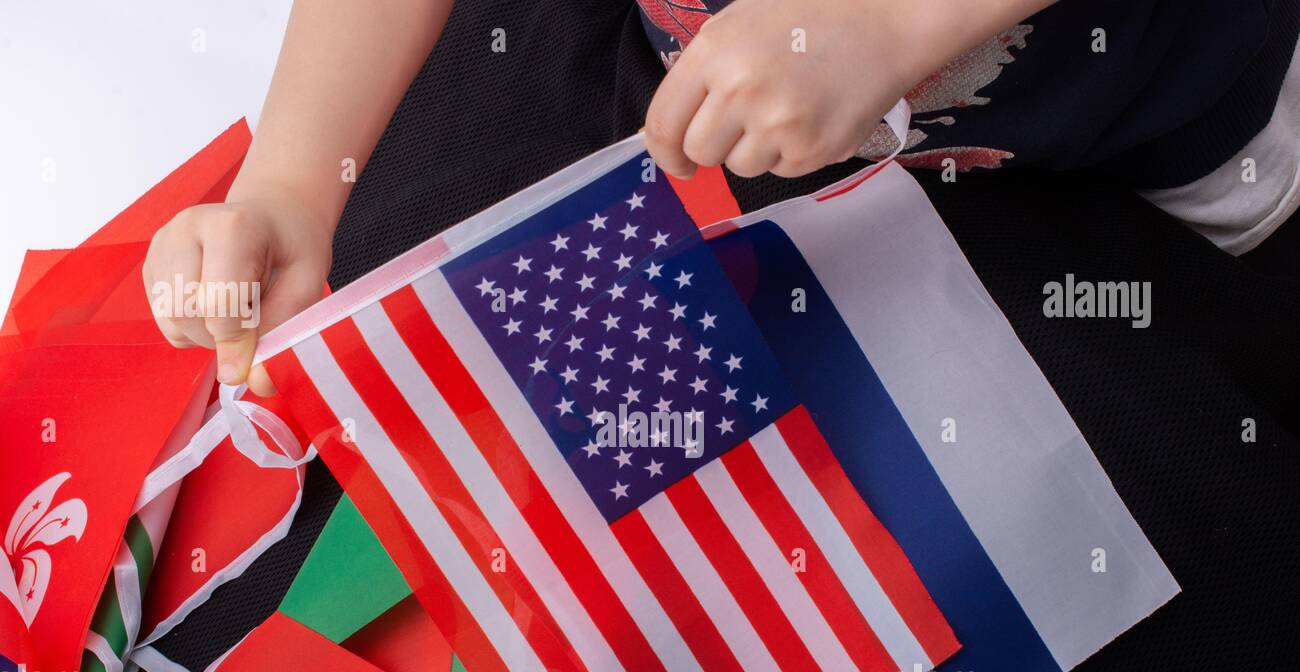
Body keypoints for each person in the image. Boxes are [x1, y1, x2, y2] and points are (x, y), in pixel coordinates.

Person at [143, 0, 1300, 395]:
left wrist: (888, 20)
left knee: (1222, 283)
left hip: (1148, 90)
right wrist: (297, 178)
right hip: (751, 110)